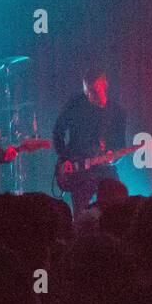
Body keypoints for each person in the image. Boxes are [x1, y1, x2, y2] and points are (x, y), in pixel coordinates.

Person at [52, 66, 127, 216]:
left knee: (119, 205)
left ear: (104, 85)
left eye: (93, 91)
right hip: (79, 169)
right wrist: (65, 158)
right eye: (87, 92)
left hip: (104, 168)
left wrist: (113, 157)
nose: (90, 97)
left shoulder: (117, 111)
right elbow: (58, 131)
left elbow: (120, 145)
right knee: (80, 214)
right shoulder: (76, 103)